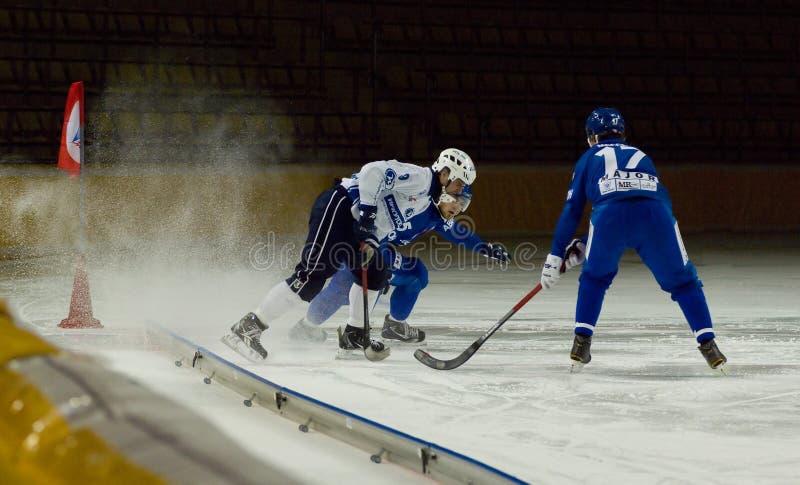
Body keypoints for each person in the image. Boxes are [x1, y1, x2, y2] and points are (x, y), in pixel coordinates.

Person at [222, 148, 501, 361]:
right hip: (342, 207)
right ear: (445, 174)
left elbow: (450, 228)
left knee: (376, 273)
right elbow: (371, 172)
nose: (460, 191)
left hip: (359, 229)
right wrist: (368, 217)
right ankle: (248, 327)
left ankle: (354, 335)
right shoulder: (420, 178)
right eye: (459, 184)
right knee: (311, 279)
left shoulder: (430, 200)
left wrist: (484, 247)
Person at [540, 107, 727, 372]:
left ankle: (581, 345)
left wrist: (557, 254)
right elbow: (638, 203)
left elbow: (574, 209)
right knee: (684, 283)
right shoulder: (641, 155)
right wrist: (586, 242)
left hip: (609, 218)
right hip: (657, 217)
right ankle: (710, 347)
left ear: (592, 136)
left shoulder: (588, 156)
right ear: (623, 134)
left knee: (595, 278)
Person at [287, 184, 511, 347]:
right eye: (457, 200)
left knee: (416, 273)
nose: (458, 208)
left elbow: (457, 232)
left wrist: (486, 248)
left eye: (464, 204)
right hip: (360, 242)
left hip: (378, 248)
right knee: (344, 285)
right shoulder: (419, 201)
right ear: (444, 193)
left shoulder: (435, 215)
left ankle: (394, 324)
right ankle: (308, 327)